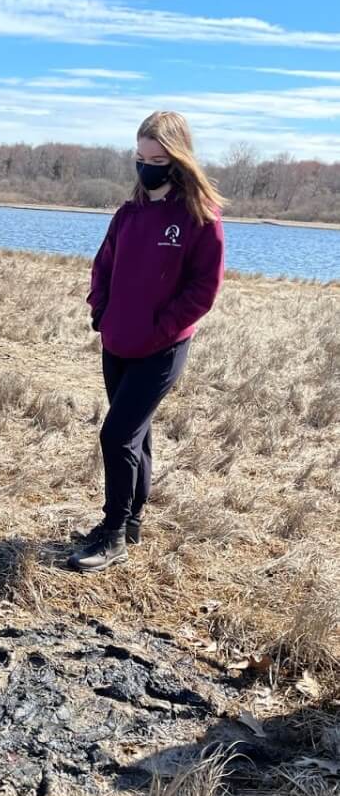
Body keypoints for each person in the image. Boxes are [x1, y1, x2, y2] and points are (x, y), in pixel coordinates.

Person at [71, 110, 225, 573]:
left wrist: (161, 329)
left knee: (116, 434)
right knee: (136, 435)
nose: (146, 167)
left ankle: (114, 533)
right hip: (117, 342)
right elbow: (103, 266)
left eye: (157, 160)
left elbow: (203, 289)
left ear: (178, 160)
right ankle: (133, 519)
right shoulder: (128, 214)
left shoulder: (199, 217)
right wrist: (101, 312)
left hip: (161, 349)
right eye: (140, 158)